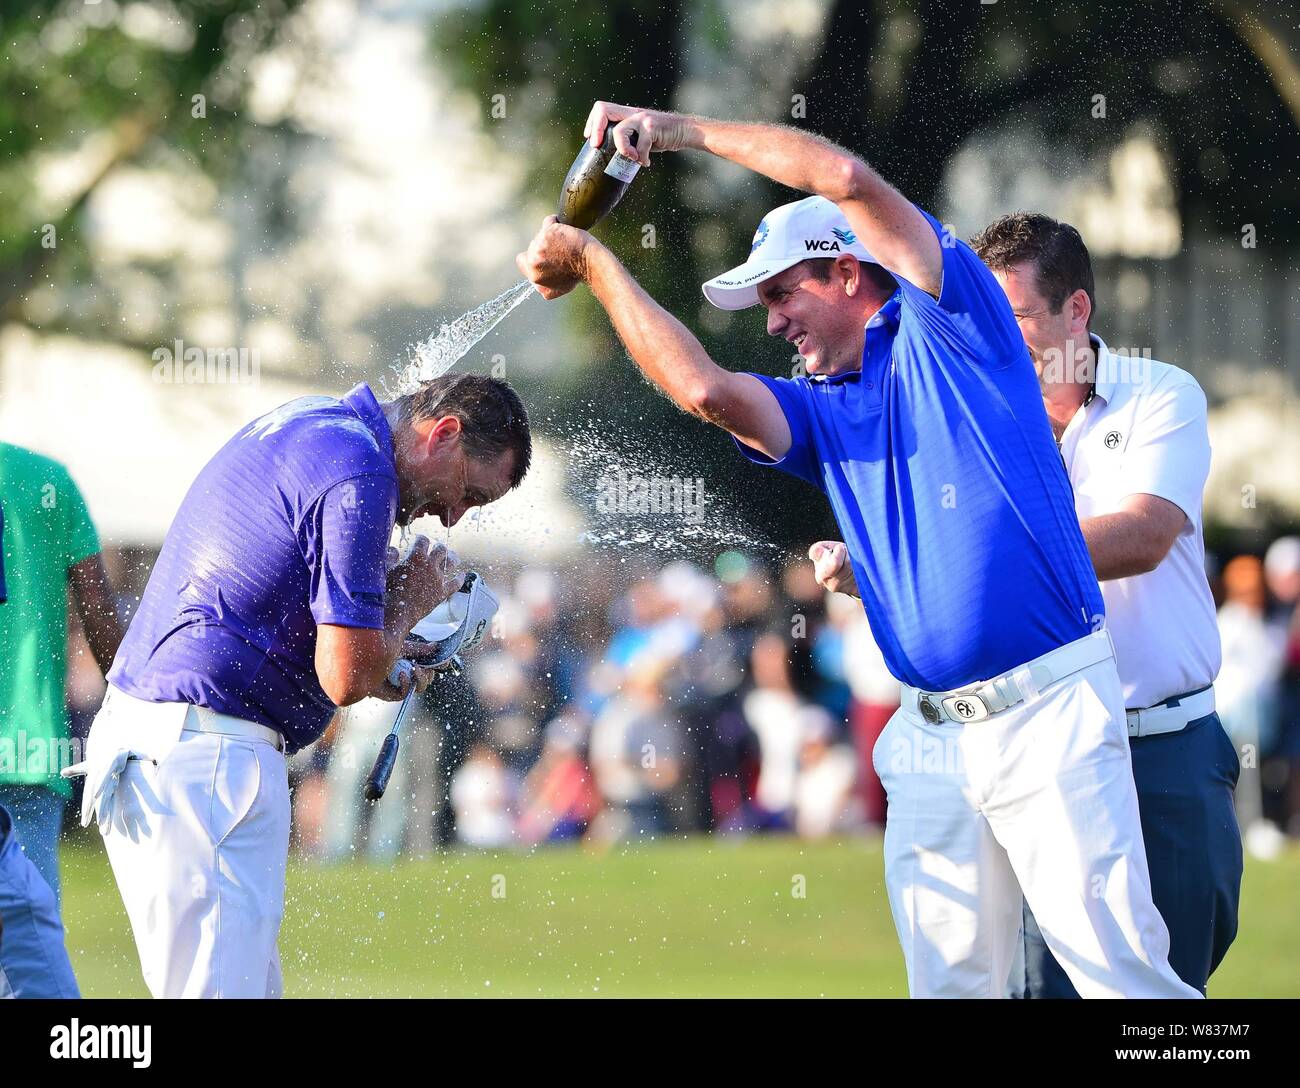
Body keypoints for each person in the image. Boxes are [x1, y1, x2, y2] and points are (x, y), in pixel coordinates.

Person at [518, 101, 1196, 997]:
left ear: (846, 273)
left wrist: (674, 133)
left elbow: (846, 180)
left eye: (781, 293)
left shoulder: (956, 322)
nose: (771, 324)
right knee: (949, 989)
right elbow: (707, 392)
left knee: (1124, 980)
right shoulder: (819, 406)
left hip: (1047, 712)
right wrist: (597, 265)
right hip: (929, 736)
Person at [76, 374, 531, 998]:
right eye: (469, 494)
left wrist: (387, 644)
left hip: (180, 747)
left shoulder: (323, 424)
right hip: (202, 756)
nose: (453, 516)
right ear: (444, 433)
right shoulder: (361, 472)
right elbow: (344, 677)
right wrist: (411, 603)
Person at [969, 212, 1241, 996]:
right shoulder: (976, 420)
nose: (999, 336)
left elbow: (1143, 536)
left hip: (1166, 750)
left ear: (1076, 311)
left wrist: (985, 557)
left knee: (1169, 997)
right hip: (1038, 754)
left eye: (1016, 314)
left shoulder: (1162, 393)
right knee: (1038, 987)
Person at [0, 442, 123, 902]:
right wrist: (145, 707)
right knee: (27, 948)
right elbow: (100, 616)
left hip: (29, 756)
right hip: (27, 751)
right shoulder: (47, 481)